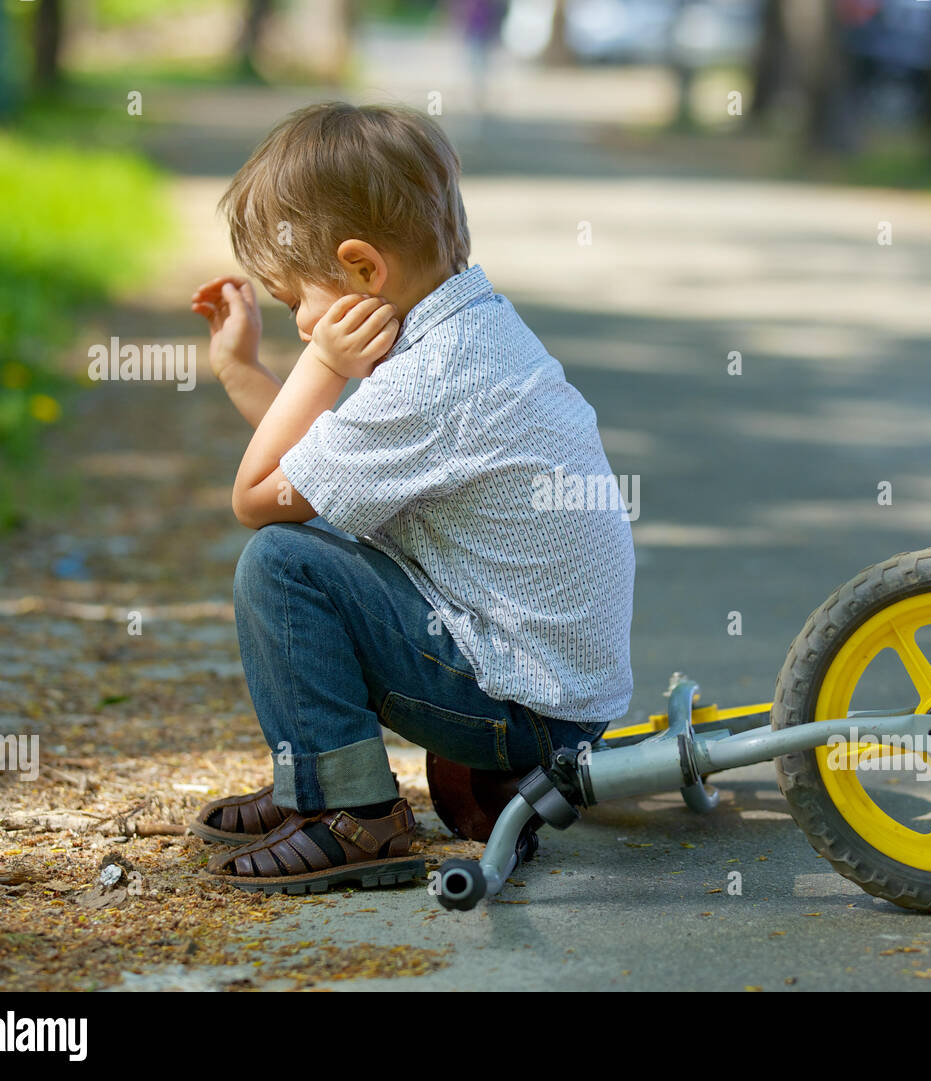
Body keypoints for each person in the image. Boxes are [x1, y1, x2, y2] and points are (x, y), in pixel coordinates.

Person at [186, 102, 634, 894]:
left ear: (362, 271)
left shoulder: (432, 380)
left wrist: (321, 364)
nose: (303, 331)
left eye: (300, 305)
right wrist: (241, 371)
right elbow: (321, 463)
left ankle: (348, 813)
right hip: (549, 694)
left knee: (282, 564)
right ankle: (312, 779)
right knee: (301, 545)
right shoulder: (466, 332)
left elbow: (259, 498)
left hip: (525, 707)